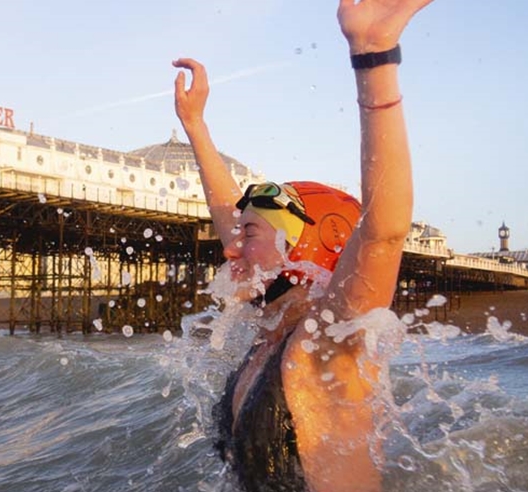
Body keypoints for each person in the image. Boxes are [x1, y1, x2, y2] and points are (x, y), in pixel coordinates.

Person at [172, 0, 434, 491]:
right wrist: (196, 128)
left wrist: (374, 57)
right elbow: (234, 220)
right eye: (237, 234)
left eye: (249, 236)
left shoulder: (328, 340)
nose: (230, 249)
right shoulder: (266, 337)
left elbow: (383, 231)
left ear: (303, 250)